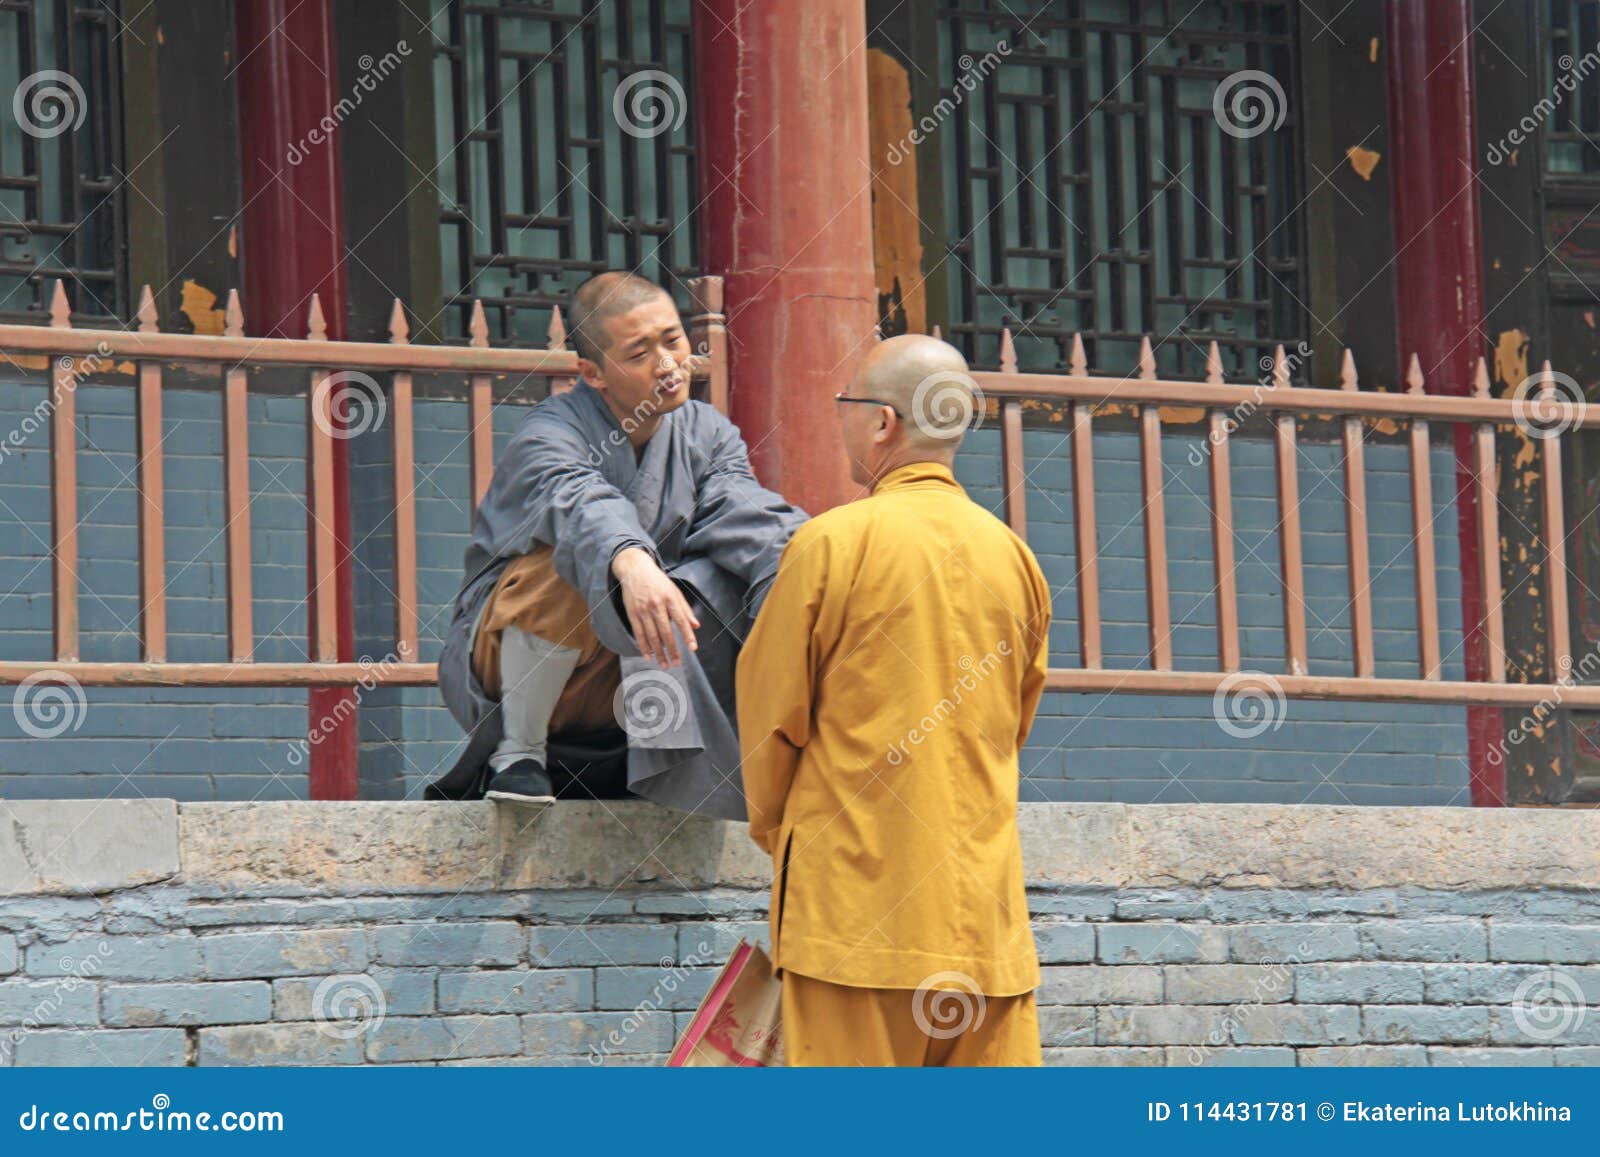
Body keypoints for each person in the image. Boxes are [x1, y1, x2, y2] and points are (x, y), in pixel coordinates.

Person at [736, 333, 1051, 1066]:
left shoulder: (829, 545)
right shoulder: (1016, 559)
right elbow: (1009, 729)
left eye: (847, 406)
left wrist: (789, 842)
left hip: (854, 930)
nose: (841, 421)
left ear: (882, 423)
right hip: (984, 936)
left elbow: (768, 723)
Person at [429, 272, 807, 817]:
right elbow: (577, 500)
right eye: (640, 353)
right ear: (593, 373)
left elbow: (742, 512)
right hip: (517, 667)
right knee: (569, 562)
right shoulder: (549, 432)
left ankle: (673, 757)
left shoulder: (709, 433)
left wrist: (813, 557)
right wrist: (628, 559)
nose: (668, 364)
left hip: (633, 666)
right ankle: (519, 755)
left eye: (673, 340)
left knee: (730, 574)